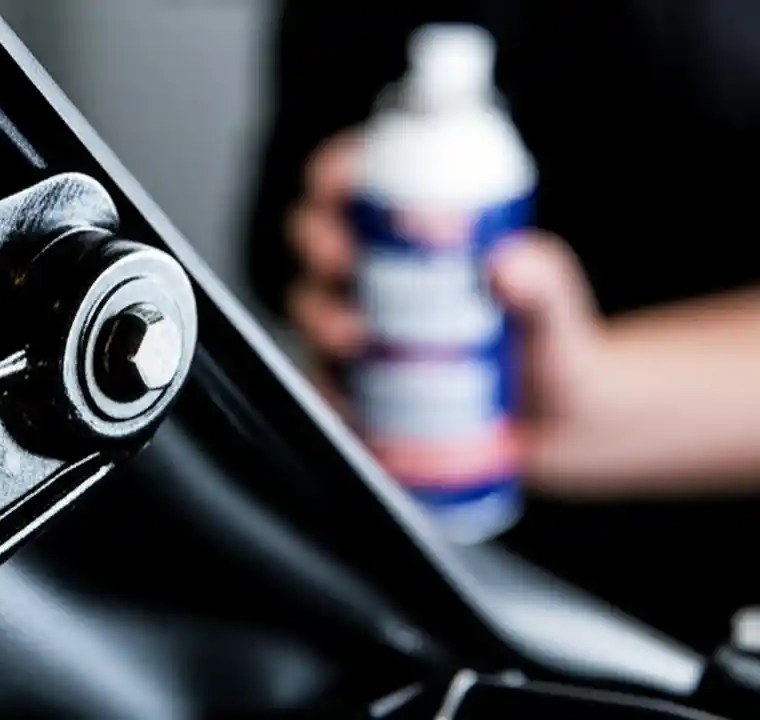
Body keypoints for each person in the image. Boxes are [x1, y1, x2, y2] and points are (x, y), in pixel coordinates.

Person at [245, 2, 760, 649]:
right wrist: (330, 265)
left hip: (708, 595)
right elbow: (281, 236)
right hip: (405, 562)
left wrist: (598, 394)